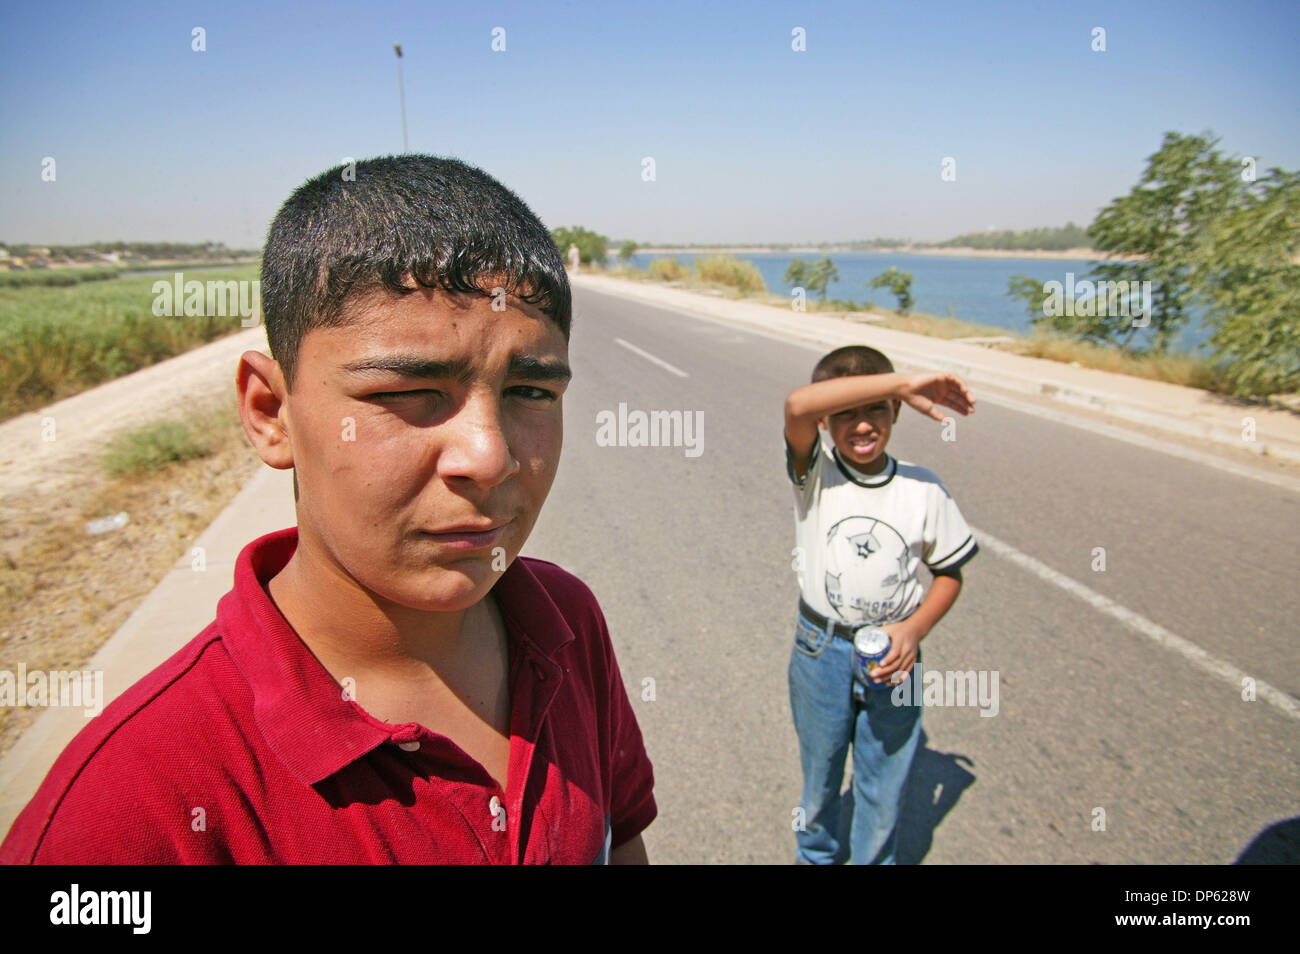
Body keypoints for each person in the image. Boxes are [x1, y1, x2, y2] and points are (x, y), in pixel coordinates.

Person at [1, 155, 656, 864]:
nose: (489, 457)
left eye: (531, 393)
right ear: (270, 411)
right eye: (408, 394)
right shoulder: (132, 809)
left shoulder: (561, 627)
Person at [783, 345, 977, 864]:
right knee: (820, 780)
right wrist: (896, 383)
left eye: (875, 411)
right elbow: (797, 404)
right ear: (825, 423)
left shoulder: (924, 489)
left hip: (898, 655)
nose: (861, 425)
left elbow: (949, 574)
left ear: (894, 415)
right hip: (820, 649)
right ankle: (816, 856)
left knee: (884, 781)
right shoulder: (815, 474)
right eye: (845, 413)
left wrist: (914, 630)